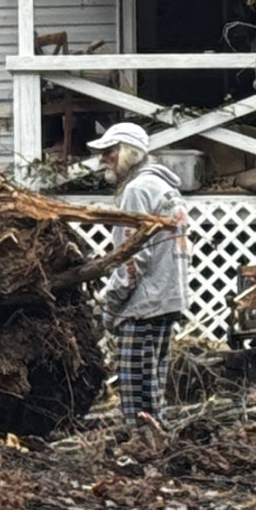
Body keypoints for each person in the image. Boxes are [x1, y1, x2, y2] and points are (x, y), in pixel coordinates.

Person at [89, 122, 190, 429]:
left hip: (143, 307)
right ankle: (160, 452)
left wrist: (110, 305)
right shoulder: (164, 187)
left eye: (110, 151)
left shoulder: (137, 191)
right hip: (166, 298)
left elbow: (131, 258)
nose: (103, 158)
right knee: (153, 389)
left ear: (129, 153)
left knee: (137, 399)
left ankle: (146, 455)